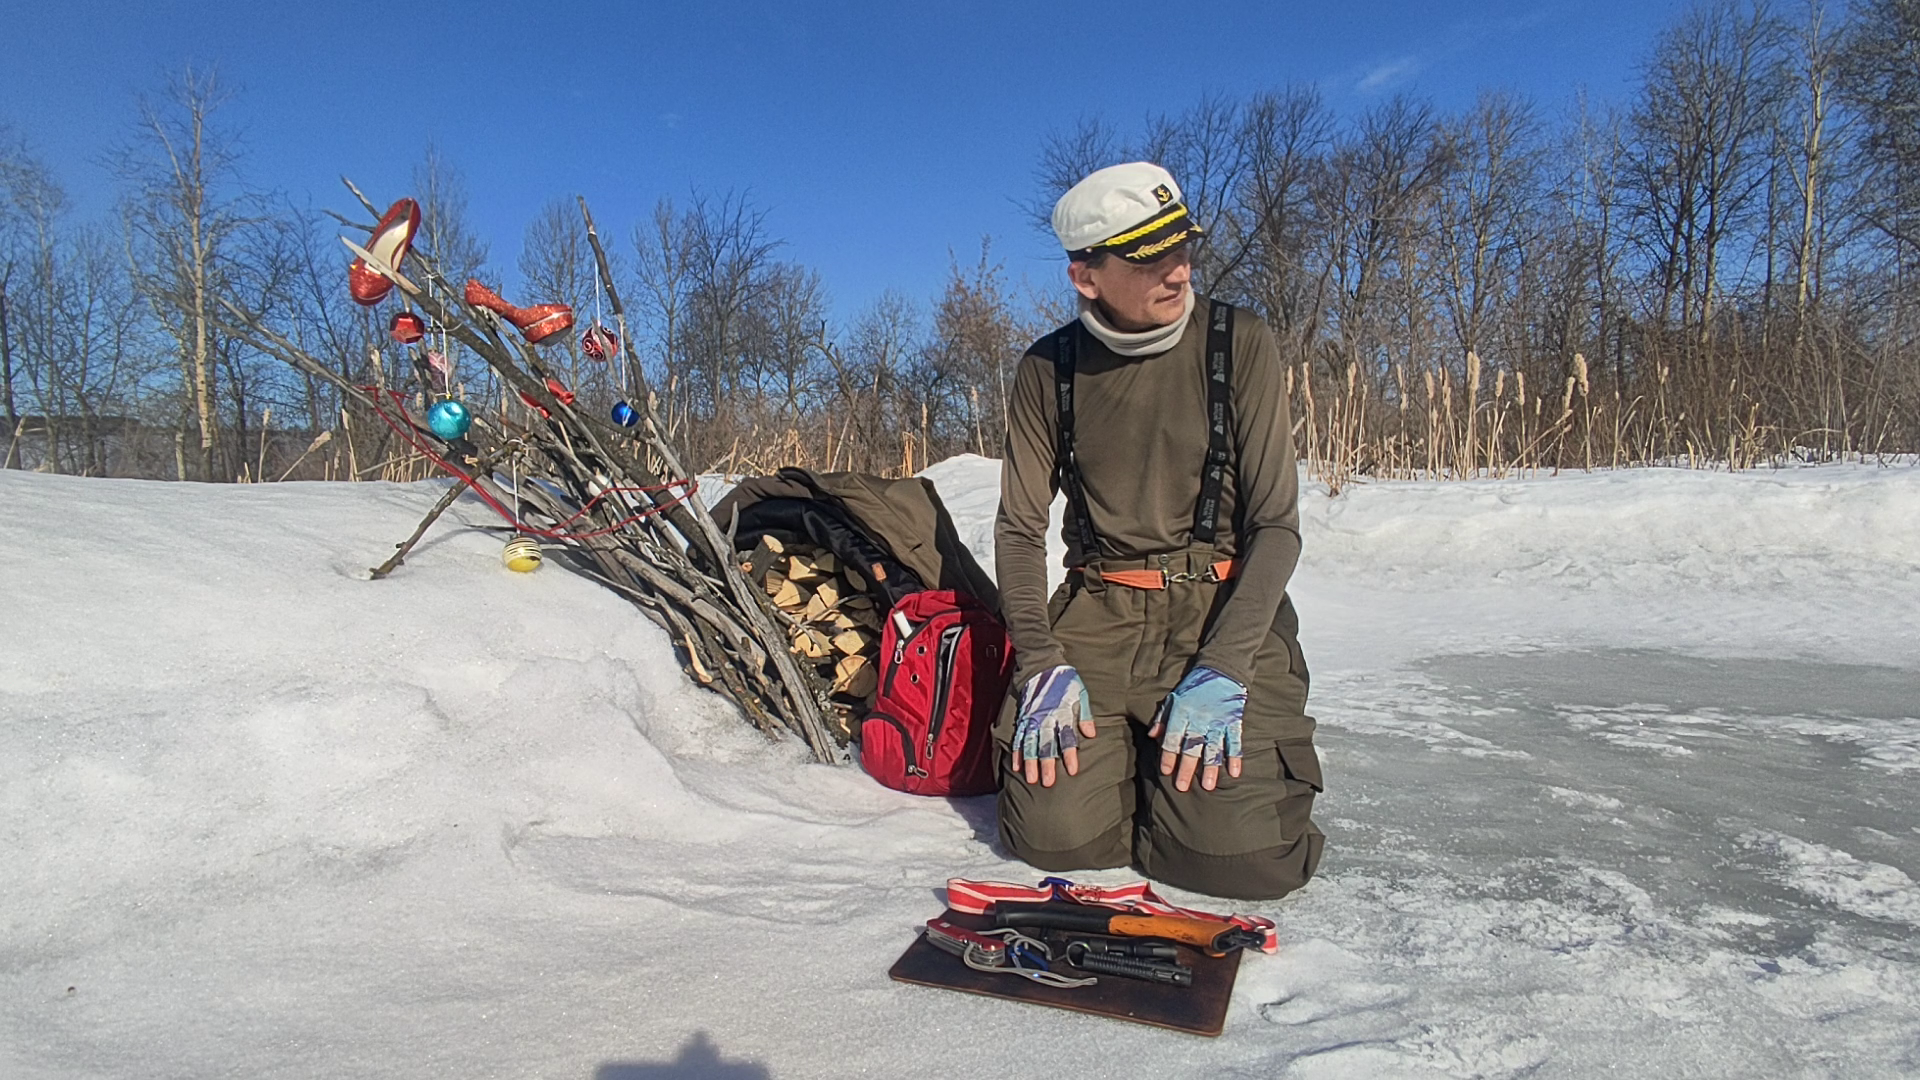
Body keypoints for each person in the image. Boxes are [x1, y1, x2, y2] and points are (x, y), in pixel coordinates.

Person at [992, 162, 1323, 901]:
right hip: (1097, 618)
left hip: (1219, 616)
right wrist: (1041, 662)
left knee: (1238, 864)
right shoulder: (1048, 369)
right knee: (1052, 841)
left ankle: (1180, 786)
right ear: (1087, 276)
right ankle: (1134, 764)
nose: (1179, 271)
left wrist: (1227, 666)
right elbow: (1019, 530)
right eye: (1149, 258)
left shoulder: (1240, 341)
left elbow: (1277, 526)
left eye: (1183, 247)